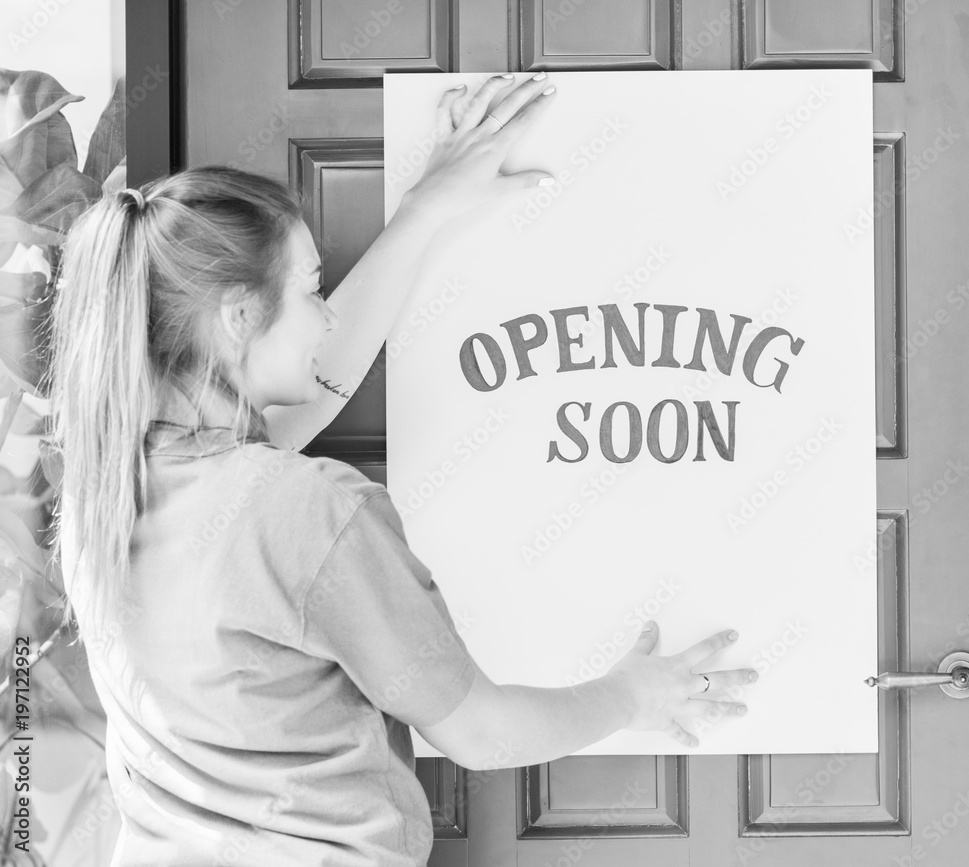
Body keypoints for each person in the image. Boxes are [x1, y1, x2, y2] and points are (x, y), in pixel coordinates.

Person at [45, 74, 757, 867]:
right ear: (239, 316)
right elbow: (480, 731)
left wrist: (426, 210)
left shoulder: (105, 490)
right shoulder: (300, 508)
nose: (326, 317)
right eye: (312, 289)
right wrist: (633, 693)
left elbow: (309, 396)